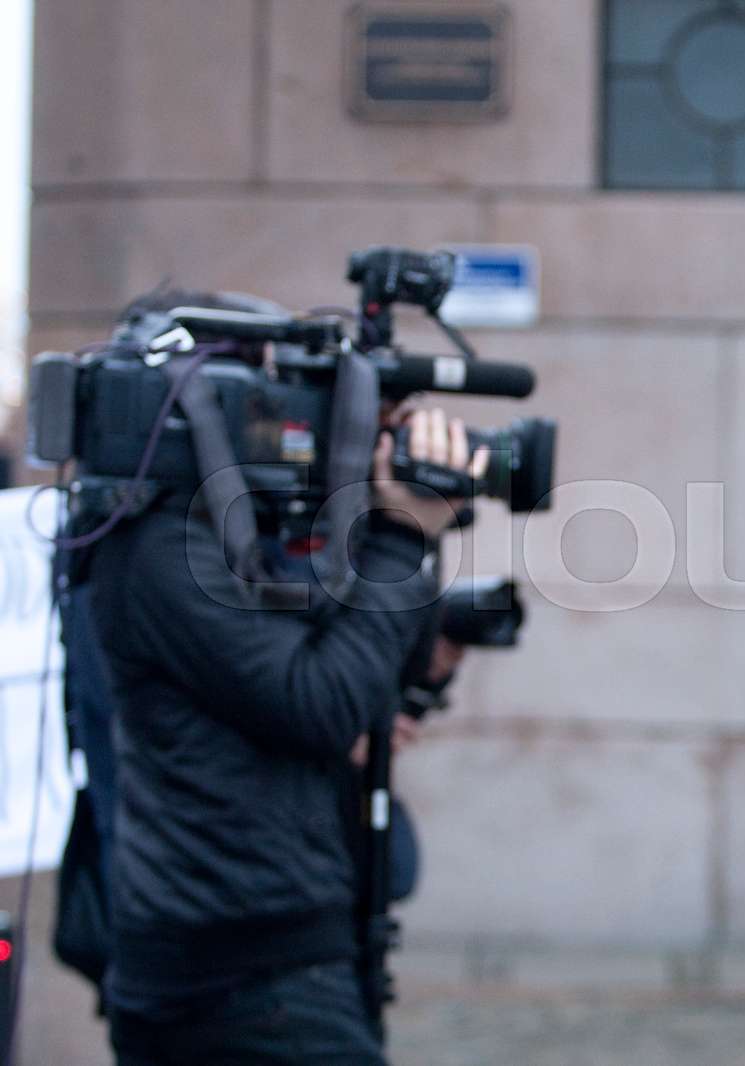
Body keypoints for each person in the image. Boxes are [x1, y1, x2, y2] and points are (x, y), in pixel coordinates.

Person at [79, 294, 486, 1066]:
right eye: (263, 396)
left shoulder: (231, 537)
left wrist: (375, 504)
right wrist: (401, 537)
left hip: (269, 952)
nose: (284, 421)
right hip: (239, 976)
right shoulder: (161, 549)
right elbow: (322, 702)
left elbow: (352, 679)